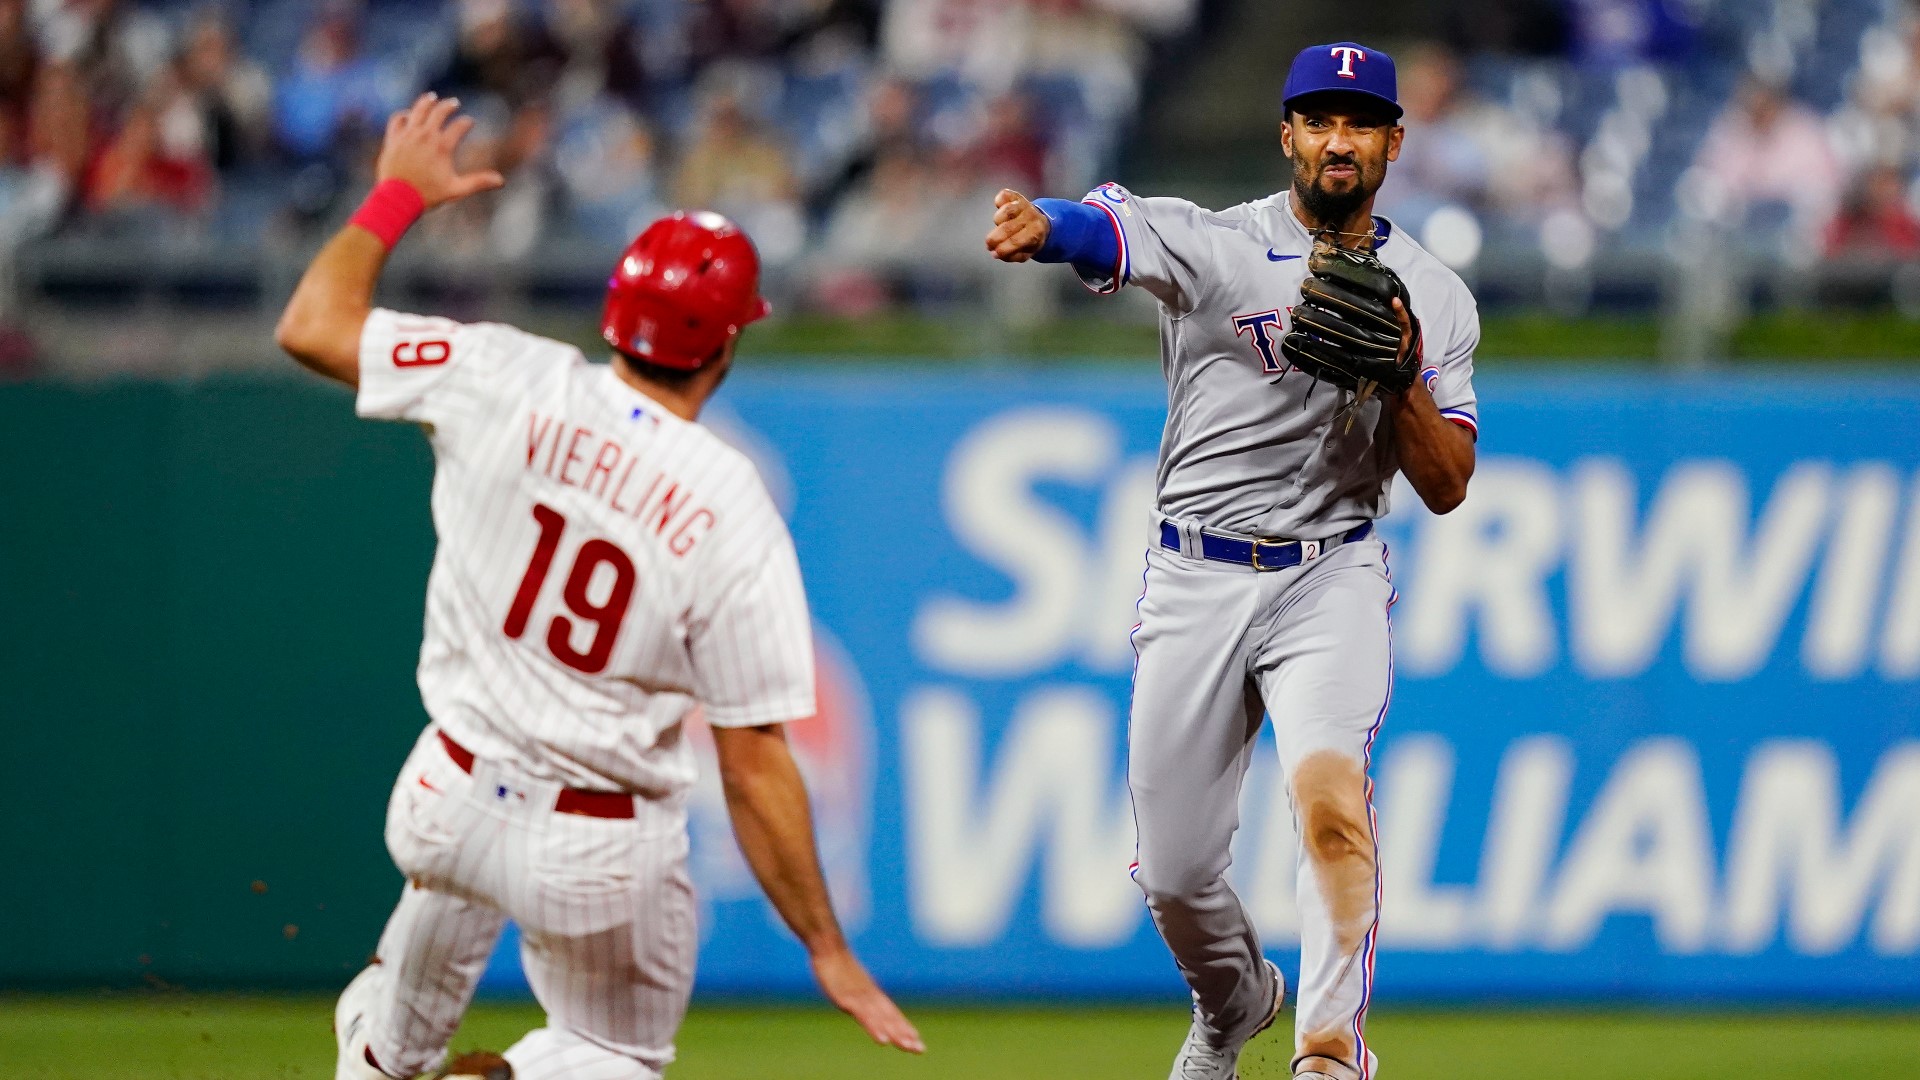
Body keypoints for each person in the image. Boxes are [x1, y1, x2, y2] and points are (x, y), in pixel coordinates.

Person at [275, 91, 922, 1080]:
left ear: (617, 309)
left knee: (389, 1040)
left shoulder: (502, 373)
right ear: (728, 342)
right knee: (613, 1049)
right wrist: (828, 950)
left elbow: (312, 326)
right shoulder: (728, 499)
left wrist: (396, 199)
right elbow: (752, 763)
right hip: (597, 840)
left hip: (446, 791)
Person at [985, 42, 1477, 1080]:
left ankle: (1330, 1053)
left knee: (1333, 808)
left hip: (1330, 572)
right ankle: (1234, 1006)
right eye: (1317, 117)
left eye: (1359, 120)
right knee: (1172, 874)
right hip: (1195, 575)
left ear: (1393, 140)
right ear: (1288, 136)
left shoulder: (1433, 293)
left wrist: (1403, 382)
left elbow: (1445, 482)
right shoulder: (1218, 246)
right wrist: (1046, 228)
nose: (1337, 138)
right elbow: (1109, 228)